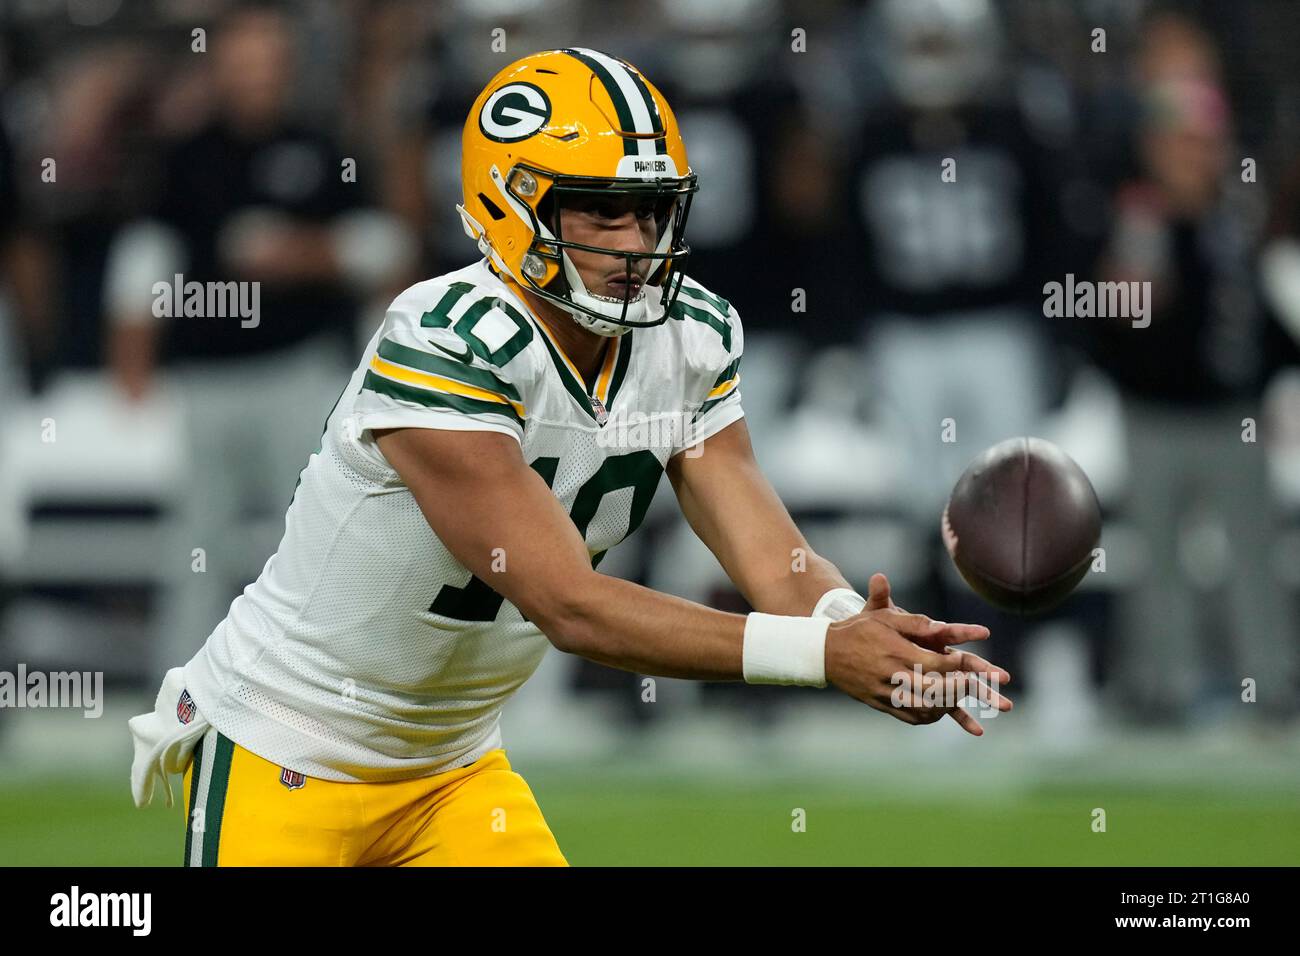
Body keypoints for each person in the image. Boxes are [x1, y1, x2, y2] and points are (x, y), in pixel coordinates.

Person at [129, 48, 1011, 867]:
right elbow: (571, 606)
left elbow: (768, 554)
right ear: (511, 203)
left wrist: (849, 621)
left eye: (653, 209)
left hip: (452, 767)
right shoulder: (446, 340)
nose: (635, 243)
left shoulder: (689, 334)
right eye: (601, 208)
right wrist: (822, 657)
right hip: (290, 740)